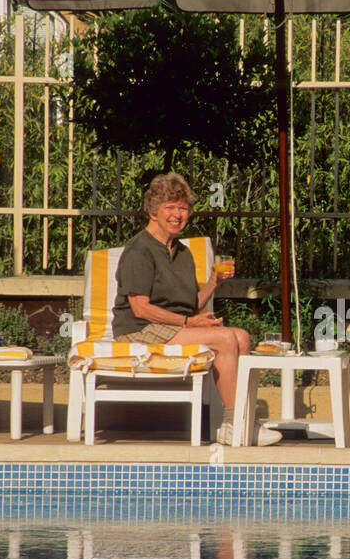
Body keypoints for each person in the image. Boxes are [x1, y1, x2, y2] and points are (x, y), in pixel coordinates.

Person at [111, 172, 281, 445]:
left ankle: (243, 420)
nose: (178, 214)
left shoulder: (182, 252)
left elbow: (190, 305)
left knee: (241, 337)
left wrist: (214, 281)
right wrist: (189, 324)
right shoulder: (139, 250)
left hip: (170, 326)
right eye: (170, 207)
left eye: (183, 208)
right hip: (138, 330)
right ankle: (233, 423)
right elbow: (140, 309)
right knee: (225, 338)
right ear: (153, 211)